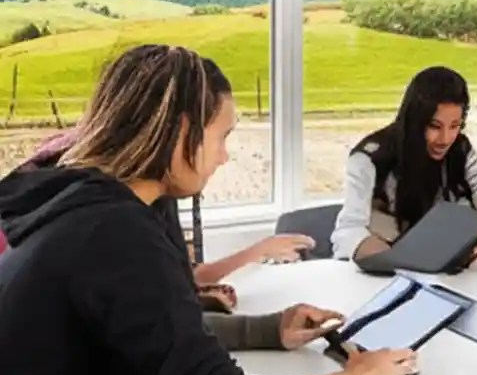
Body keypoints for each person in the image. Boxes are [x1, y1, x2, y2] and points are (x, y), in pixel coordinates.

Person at [0, 45, 416, 375]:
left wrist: (270, 331)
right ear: (182, 131)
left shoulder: (85, 205)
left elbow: (156, 332)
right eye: (222, 136)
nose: (224, 156)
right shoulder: (114, 233)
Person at [10, 127, 314, 312]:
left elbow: (169, 282)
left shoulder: (52, 192)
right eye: (219, 136)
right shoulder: (111, 219)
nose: (223, 157)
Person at [332, 66, 477, 262]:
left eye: (455, 126)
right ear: (414, 120)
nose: (445, 139)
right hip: (381, 276)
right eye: (434, 126)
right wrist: (386, 255)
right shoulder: (370, 158)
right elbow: (348, 232)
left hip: (452, 276)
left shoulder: (463, 152)